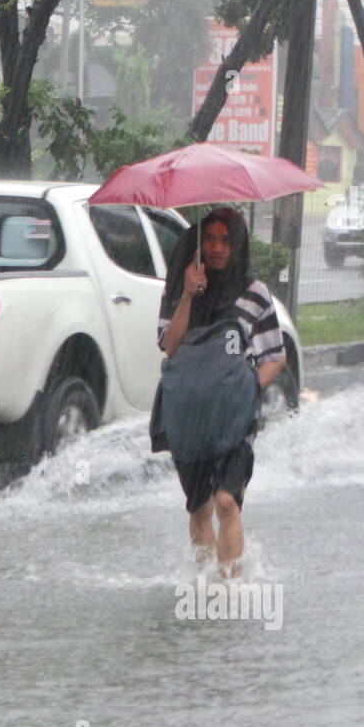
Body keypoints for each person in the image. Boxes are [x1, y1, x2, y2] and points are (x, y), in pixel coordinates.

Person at [154, 206, 286, 578]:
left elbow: (275, 357)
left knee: (227, 501)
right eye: (209, 239)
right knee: (199, 509)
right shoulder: (183, 289)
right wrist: (187, 298)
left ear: (238, 245)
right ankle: (206, 585)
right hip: (187, 415)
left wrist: (244, 390)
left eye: (225, 240)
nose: (216, 248)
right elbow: (170, 346)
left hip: (233, 419)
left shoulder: (254, 294)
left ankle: (230, 588)